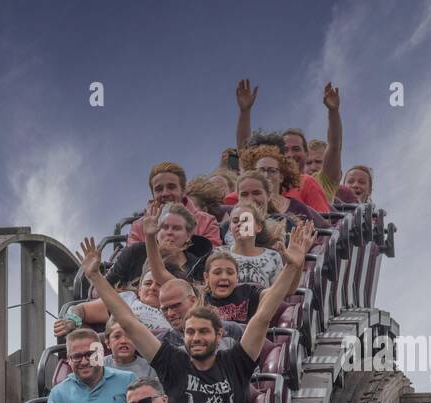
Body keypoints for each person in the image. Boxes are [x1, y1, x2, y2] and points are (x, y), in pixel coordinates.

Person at [83, 223, 312, 403]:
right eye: (190, 332)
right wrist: (96, 277)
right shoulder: (172, 363)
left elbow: (262, 317)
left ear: (219, 334)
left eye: (203, 331)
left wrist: (291, 267)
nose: (196, 337)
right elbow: (128, 322)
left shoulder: (236, 361)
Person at [234, 79, 338, 210]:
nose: (290, 154)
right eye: (262, 170)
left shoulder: (306, 187)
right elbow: (245, 153)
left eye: (272, 171)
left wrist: (333, 111)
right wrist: (245, 112)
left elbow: (334, 147)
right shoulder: (247, 190)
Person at [45, 328, 135, 403]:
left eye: (90, 354)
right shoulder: (58, 394)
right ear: (68, 359)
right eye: (77, 356)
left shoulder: (128, 380)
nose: (84, 362)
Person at [107, 203, 208, 288]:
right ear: (156, 231)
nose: (169, 232)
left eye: (176, 228)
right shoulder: (135, 252)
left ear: (188, 236)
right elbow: (104, 289)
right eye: (164, 227)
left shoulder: (197, 266)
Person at [126, 163, 220, 247]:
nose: (165, 193)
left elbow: (212, 260)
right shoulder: (139, 227)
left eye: (171, 187)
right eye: (159, 189)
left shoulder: (206, 222)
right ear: (153, 195)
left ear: (183, 191)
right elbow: (132, 262)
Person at [54, 269, 166, 336]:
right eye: (148, 283)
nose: (153, 288)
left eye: (159, 284)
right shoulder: (127, 299)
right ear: (140, 290)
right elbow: (81, 309)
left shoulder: (174, 308)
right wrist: (73, 319)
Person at [225, 203, 285, 289]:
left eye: (245, 220)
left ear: (258, 227)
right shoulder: (219, 254)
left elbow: (279, 292)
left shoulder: (273, 257)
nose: (239, 224)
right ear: (230, 229)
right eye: (235, 221)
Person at [199, 248, 261, 324]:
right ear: (206, 277)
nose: (224, 277)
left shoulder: (248, 292)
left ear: (237, 277)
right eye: (217, 273)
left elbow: (271, 294)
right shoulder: (199, 299)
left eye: (230, 273)